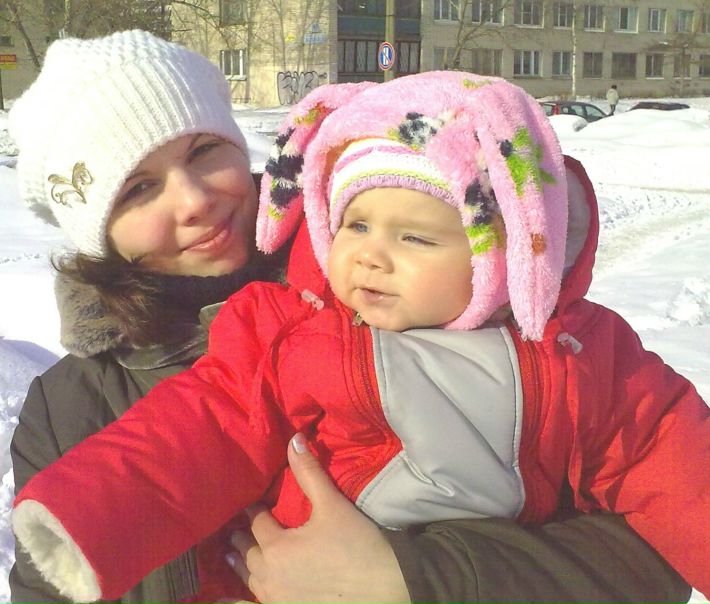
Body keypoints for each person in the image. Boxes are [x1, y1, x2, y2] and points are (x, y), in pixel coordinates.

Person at [10, 31, 684, 604]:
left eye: (202, 151)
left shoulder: (440, 299)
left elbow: (648, 561)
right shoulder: (72, 408)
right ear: (96, 231)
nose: (193, 201)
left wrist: (409, 578)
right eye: (139, 188)